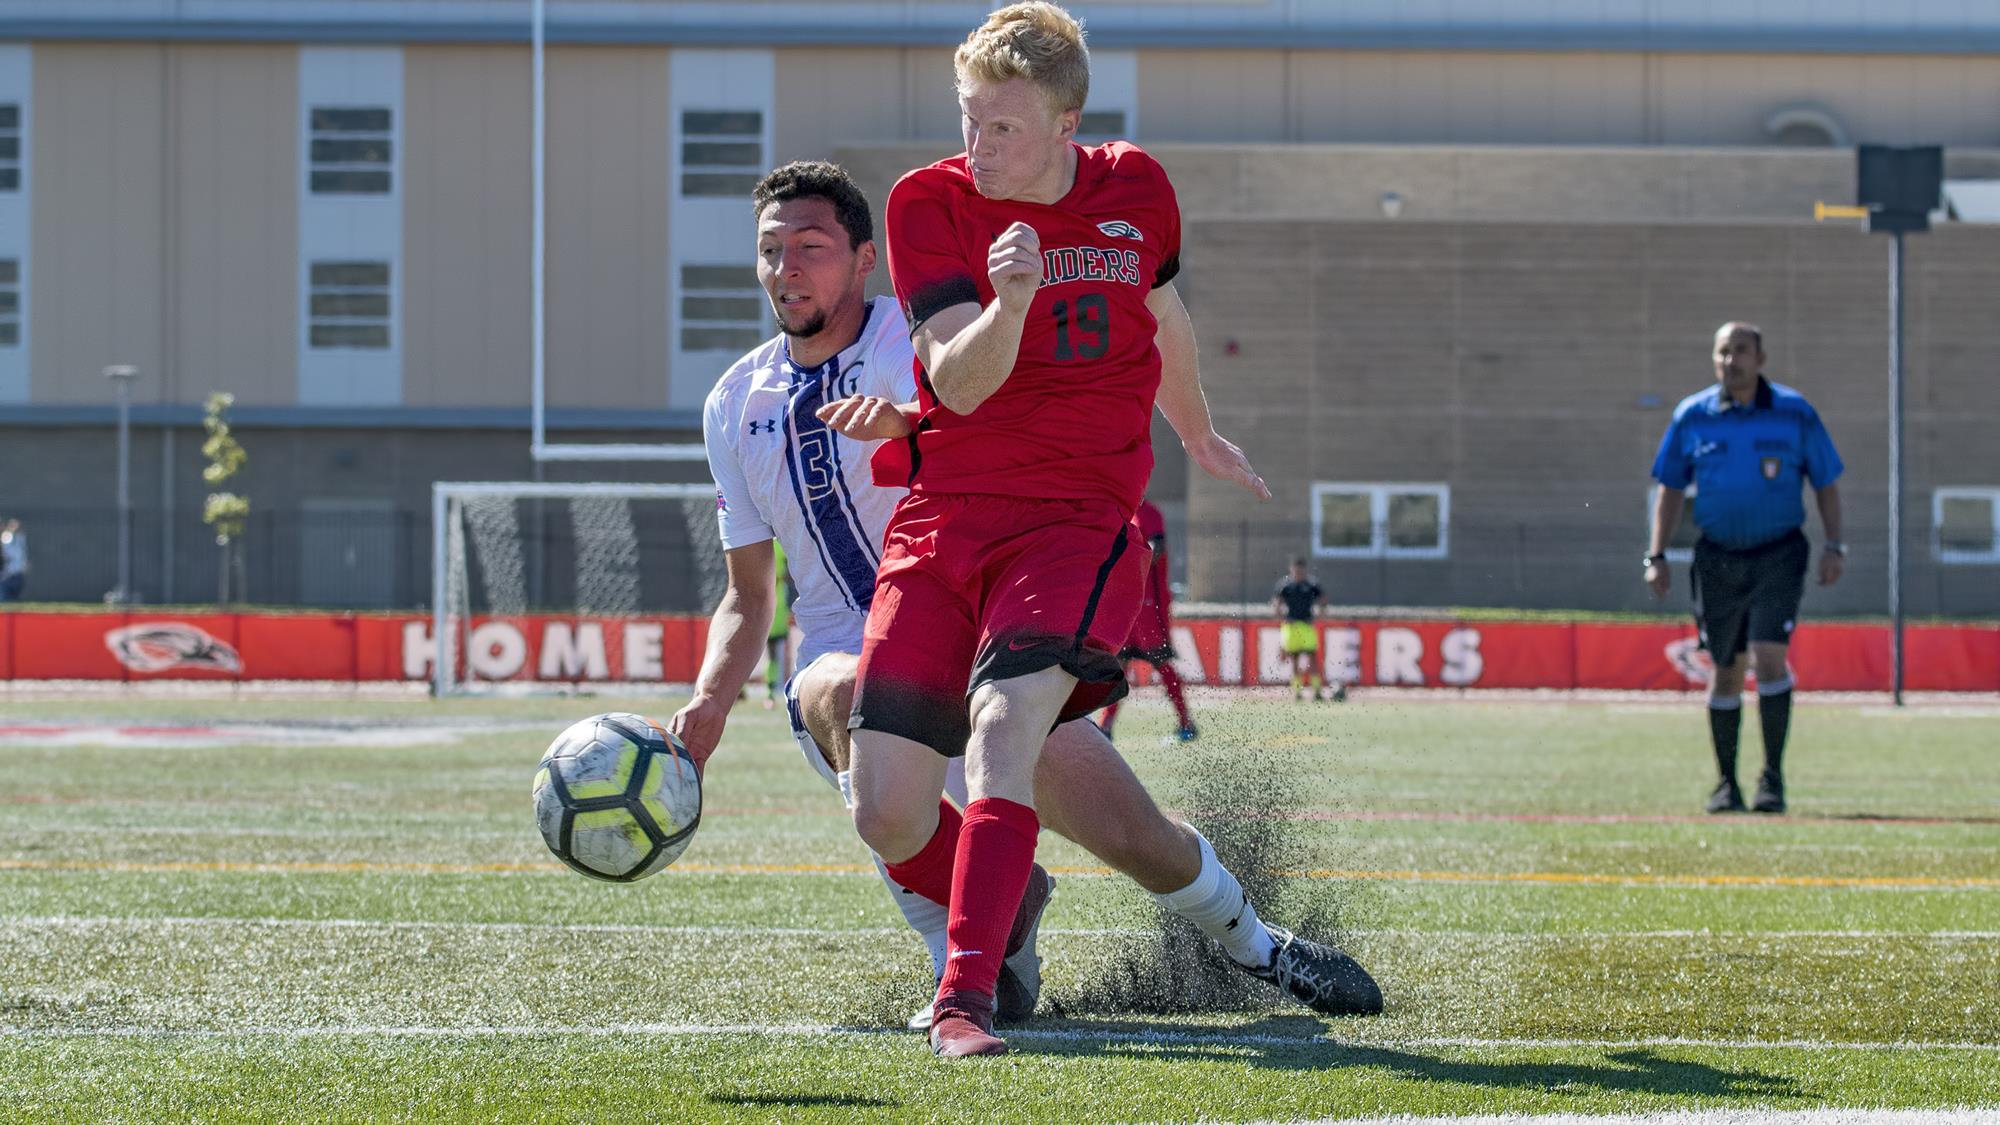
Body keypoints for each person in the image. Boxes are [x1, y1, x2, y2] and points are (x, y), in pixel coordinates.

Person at [670, 159, 1381, 1044]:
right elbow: (748, 594)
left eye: (810, 250)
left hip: (980, 626)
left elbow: (1040, 388)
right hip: (847, 657)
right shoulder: (732, 402)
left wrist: (1181, 427)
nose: (786, 269)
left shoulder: (924, 332)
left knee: (1137, 836)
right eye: (771, 251)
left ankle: (1255, 943)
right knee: (852, 707)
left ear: (864, 261)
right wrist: (706, 701)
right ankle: (960, 963)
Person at [838, 2, 1370, 1058]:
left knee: (1002, 734)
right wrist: (1011, 302)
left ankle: (967, 999)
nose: (976, 146)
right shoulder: (926, 202)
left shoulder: (1137, 187)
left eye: (1002, 127)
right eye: (967, 121)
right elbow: (956, 379)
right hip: (942, 524)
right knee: (887, 811)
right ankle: (1076, 908)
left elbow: (1163, 318)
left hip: (1075, 524)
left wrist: (1201, 433)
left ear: (1067, 123)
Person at [1646, 321, 1845, 816]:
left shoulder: (1794, 414)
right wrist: (1657, 555)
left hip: (1779, 552)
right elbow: (1669, 487)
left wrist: (1834, 545)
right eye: (1722, 352)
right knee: (1726, 670)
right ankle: (1726, 784)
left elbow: (1825, 482)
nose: (1730, 360)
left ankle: (1772, 781)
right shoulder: (1693, 416)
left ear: (1761, 358)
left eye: (1740, 351)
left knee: (1768, 654)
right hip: (1716, 557)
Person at [1098, 498, 1197, 742]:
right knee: (1118, 665)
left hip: (1148, 607)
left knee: (1161, 662)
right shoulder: (1119, 510)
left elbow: (1157, 547)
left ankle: (1186, 722)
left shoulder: (1148, 512)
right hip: (1127, 605)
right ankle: (1106, 728)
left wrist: (1126, 557)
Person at [1274, 558, 1340, 701]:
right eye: (1296, 570)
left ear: (1304, 570)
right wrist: (1281, 617)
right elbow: (1277, 602)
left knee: (1313, 659)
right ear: (1292, 570)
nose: (1298, 573)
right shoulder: (1286, 585)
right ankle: (1297, 692)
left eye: (1301, 571)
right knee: (1295, 659)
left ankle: (1316, 691)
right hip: (1291, 626)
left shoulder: (1311, 584)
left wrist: (1321, 614)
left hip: (1307, 625)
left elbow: (1323, 599)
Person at [762, 540, 794, 709]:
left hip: (778, 605)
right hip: (762, 604)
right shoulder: (769, 542)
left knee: (773, 651)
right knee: (767, 651)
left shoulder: (780, 543)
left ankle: (770, 693)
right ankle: (741, 690)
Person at [0, 519, 26, 602]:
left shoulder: (19, 538)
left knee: (14, 600)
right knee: (4, 599)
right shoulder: (6, 536)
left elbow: (20, 554)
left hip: (16, 574)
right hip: (6, 575)